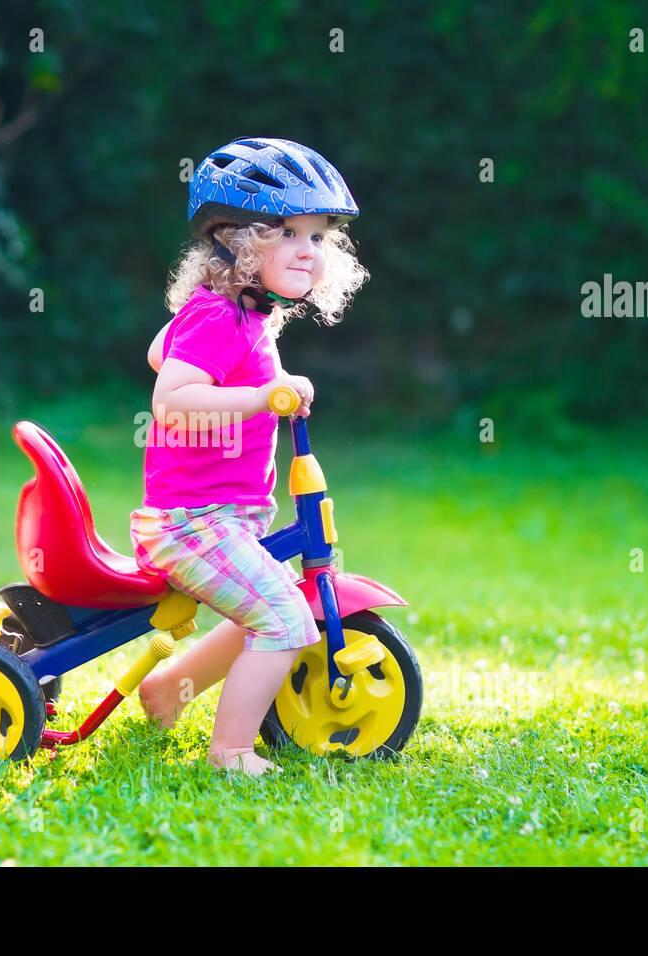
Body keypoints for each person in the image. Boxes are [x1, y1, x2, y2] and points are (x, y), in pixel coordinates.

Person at [131, 137, 369, 775]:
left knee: (268, 604)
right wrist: (264, 395)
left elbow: (162, 349)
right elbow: (171, 397)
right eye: (288, 232)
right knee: (288, 620)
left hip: (222, 517)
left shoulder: (241, 316)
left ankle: (165, 691)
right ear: (236, 242)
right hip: (191, 524)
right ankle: (231, 751)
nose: (308, 250)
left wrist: (265, 390)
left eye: (318, 237)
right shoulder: (217, 317)